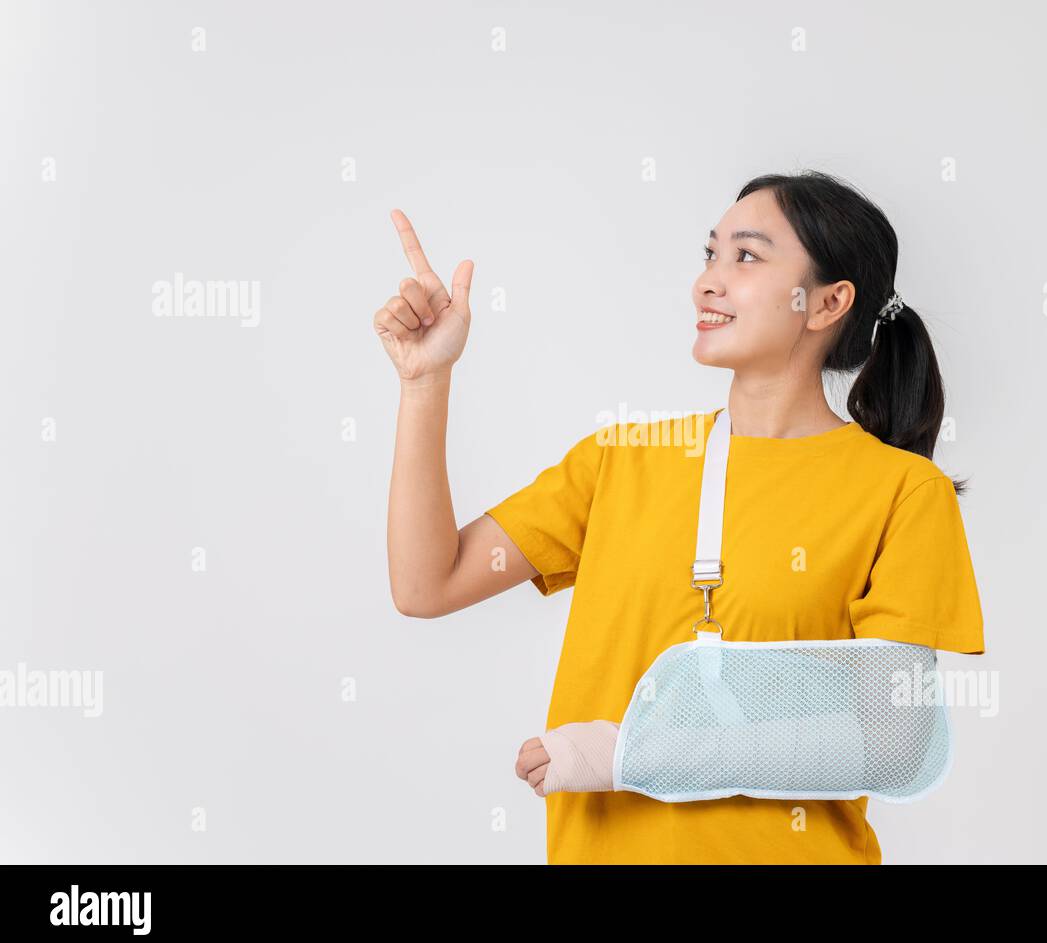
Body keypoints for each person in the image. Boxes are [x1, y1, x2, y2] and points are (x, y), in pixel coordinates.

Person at [375, 170, 985, 864]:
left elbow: (896, 742)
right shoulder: (623, 459)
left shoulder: (903, 491)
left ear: (828, 302)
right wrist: (425, 381)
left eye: (747, 256)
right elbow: (426, 585)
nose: (707, 282)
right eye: (710, 255)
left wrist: (636, 752)